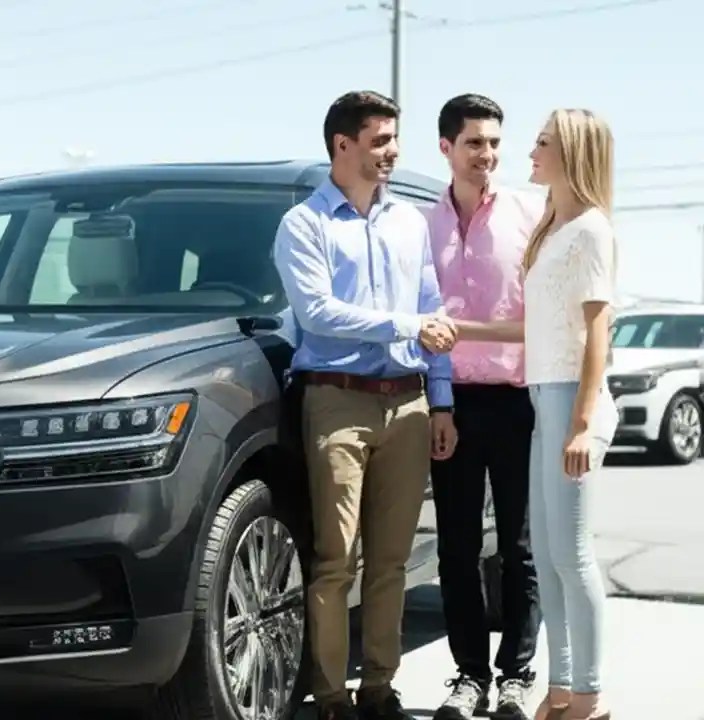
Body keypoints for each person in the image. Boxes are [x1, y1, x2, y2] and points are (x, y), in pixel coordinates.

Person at [273, 90, 457, 720]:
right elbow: (317, 312)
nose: (392, 152)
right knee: (335, 559)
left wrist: (442, 400)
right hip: (336, 401)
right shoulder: (304, 226)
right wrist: (405, 325)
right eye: (380, 141)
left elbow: (435, 315)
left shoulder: (410, 223)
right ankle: (329, 696)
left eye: (394, 140)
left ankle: (379, 688)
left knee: (391, 561)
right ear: (342, 145)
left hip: (407, 407)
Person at [448, 108, 619, 720]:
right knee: (544, 557)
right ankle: (561, 688)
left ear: (571, 152)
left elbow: (597, 332)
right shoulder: (552, 230)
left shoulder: (592, 231)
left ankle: (590, 696)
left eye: (542, 143)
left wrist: (580, 422)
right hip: (540, 396)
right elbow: (533, 326)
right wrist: (460, 328)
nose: (529, 152)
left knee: (572, 555)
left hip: (571, 397)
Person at [424, 94, 544, 720]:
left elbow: (549, 313)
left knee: (519, 547)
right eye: (474, 143)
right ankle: (468, 676)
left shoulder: (530, 211)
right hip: (452, 405)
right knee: (456, 546)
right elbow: (424, 323)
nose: (488, 155)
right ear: (446, 147)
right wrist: (439, 405)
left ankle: (517, 677)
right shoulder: (421, 224)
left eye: (495, 143)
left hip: (521, 403)